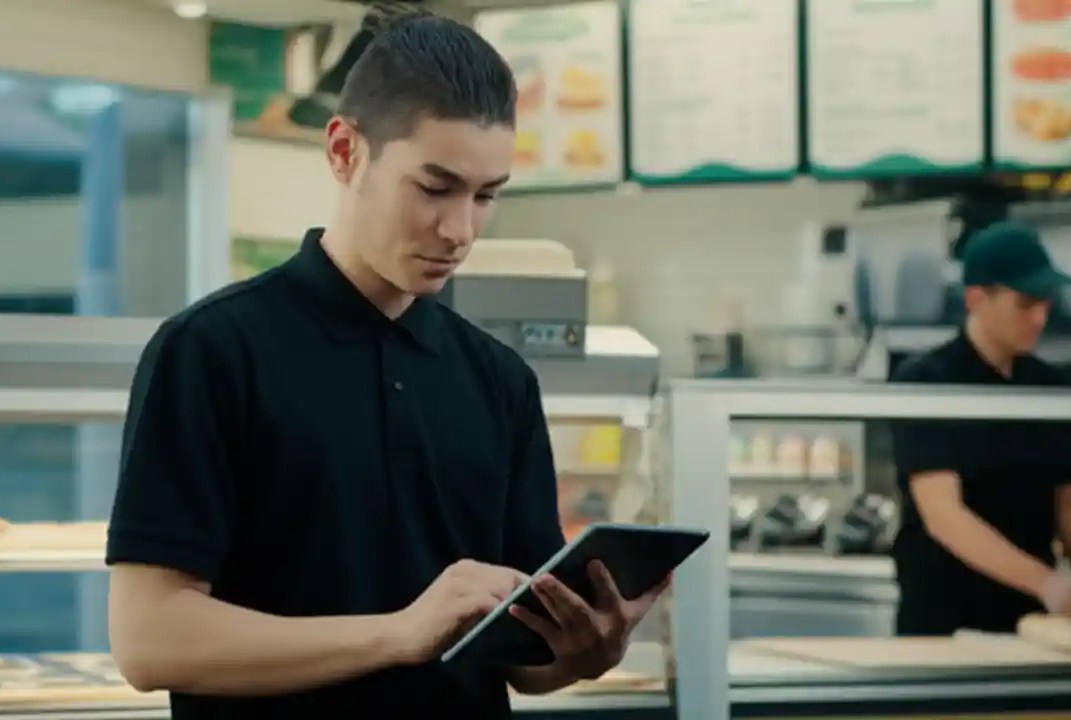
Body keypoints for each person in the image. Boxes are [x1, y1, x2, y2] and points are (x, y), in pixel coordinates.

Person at [104, 6, 666, 718]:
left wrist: (585, 651)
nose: (459, 229)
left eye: (486, 196)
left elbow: (522, 663)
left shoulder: (500, 381)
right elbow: (150, 639)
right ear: (345, 151)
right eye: (434, 188)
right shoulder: (212, 351)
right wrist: (399, 635)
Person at [889, 221, 1071, 636]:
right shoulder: (926, 381)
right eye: (1025, 303)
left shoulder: (1050, 389)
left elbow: (1069, 506)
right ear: (977, 299)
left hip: (1030, 624)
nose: (1039, 318)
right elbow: (944, 515)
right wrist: (1046, 581)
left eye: (1046, 304)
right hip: (944, 621)